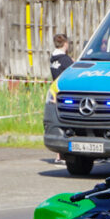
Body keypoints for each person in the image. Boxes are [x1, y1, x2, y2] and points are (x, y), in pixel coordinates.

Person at [50, 34, 74, 163]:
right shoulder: (65, 60)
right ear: (65, 44)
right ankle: (61, 155)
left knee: (59, 122)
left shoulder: (53, 59)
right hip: (66, 94)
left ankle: (59, 155)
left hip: (55, 93)